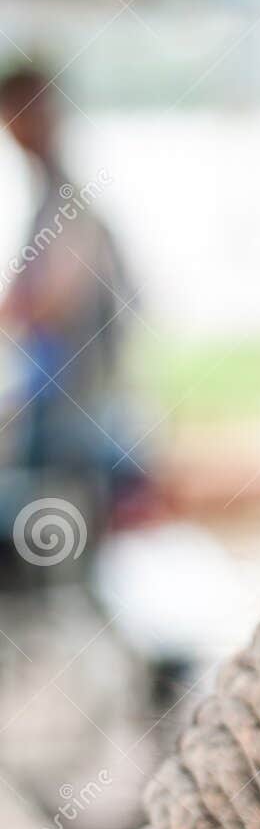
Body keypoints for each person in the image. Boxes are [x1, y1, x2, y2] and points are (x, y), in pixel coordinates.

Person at [0, 66, 136, 520]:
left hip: (79, 409)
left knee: (62, 516)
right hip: (65, 404)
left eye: (21, 113)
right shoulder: (50, 199)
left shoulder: (70, 204)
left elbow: (45, 301)